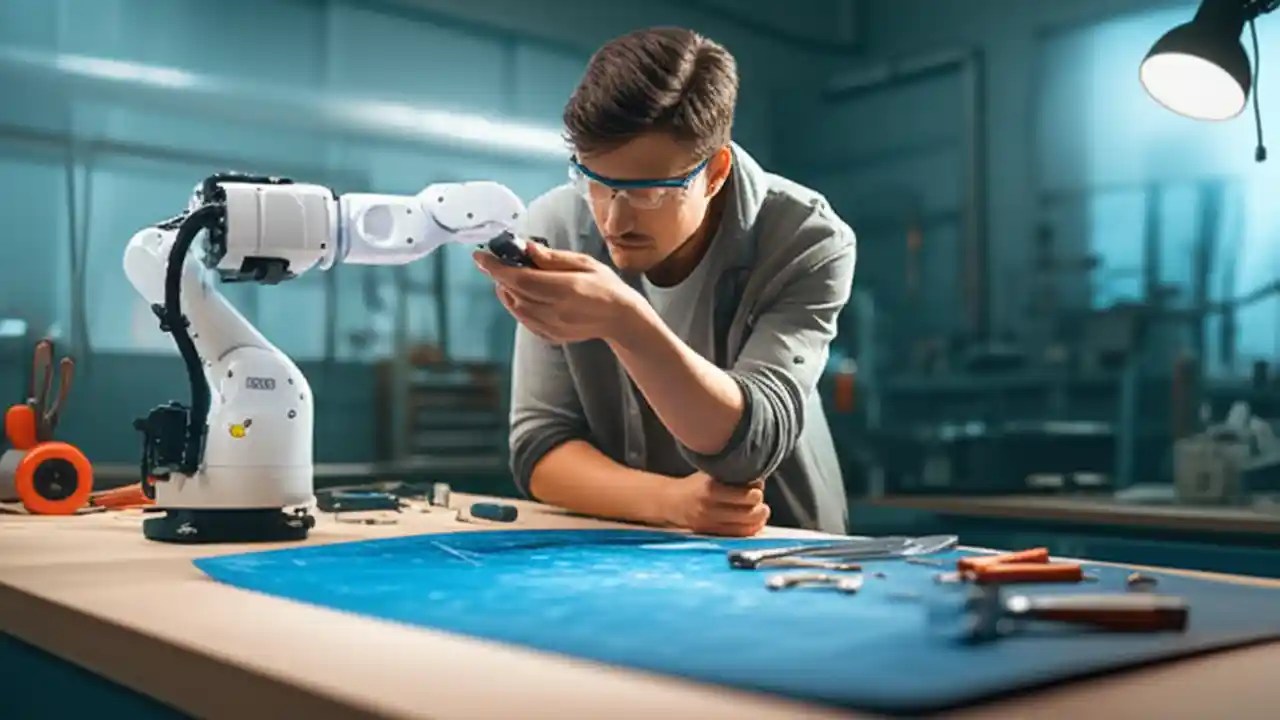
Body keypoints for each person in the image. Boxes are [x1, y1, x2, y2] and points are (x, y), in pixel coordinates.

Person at [473, 26, 856, 535]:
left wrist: (626, 322)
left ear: (715, 172)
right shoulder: (556, 229)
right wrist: (671, 501)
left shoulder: (806, 239)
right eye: (595, 181)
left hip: (785, 546)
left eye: (648, 191)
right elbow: (540, 445)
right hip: (628, 543)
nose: (614, 219)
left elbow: (751, 446)